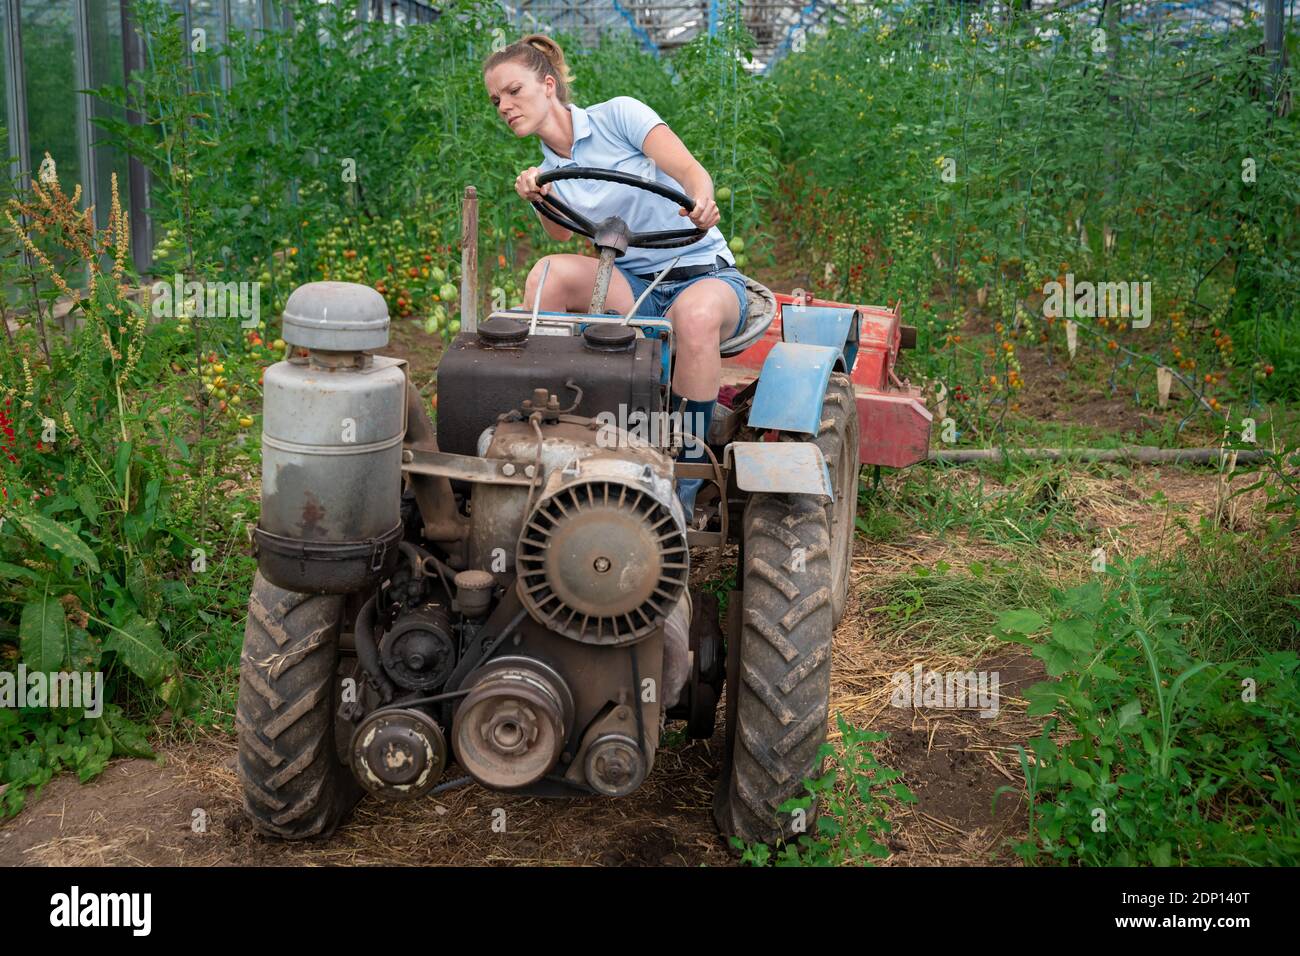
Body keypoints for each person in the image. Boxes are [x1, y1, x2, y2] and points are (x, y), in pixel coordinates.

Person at [483, 34, 748, 519]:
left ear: (547, 85)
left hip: (701, 272)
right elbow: (559, 237)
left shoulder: (618, 116)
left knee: (694, 315)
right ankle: (552, 433)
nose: (504, 106)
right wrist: (538, 196)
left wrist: (703, 201)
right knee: (547, 275)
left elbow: (691, 170)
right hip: (631, 282)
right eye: (496, 99)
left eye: (513, 90)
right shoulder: (547, 170)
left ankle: (684, 489)